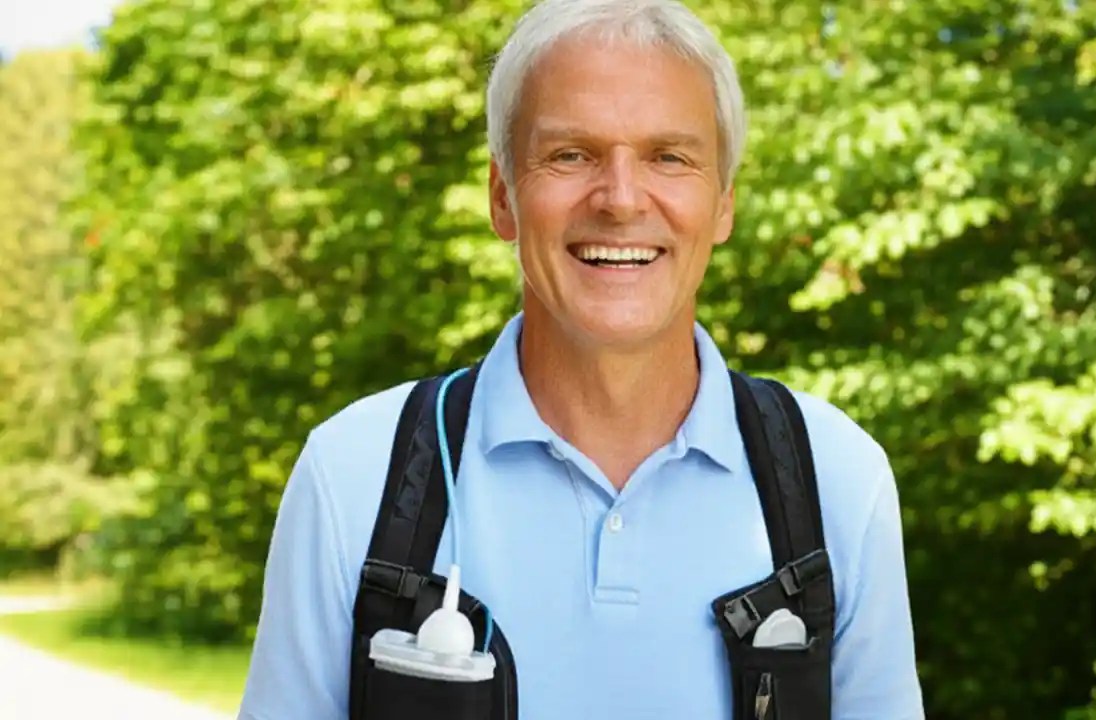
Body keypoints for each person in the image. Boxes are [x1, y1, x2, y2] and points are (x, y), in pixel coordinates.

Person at [236, 0, 925, 718]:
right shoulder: (353, 475)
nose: (621, 199)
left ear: (723, 204)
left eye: (669, 157)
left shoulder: (838, 482)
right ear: (503, 198)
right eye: (571, 155)